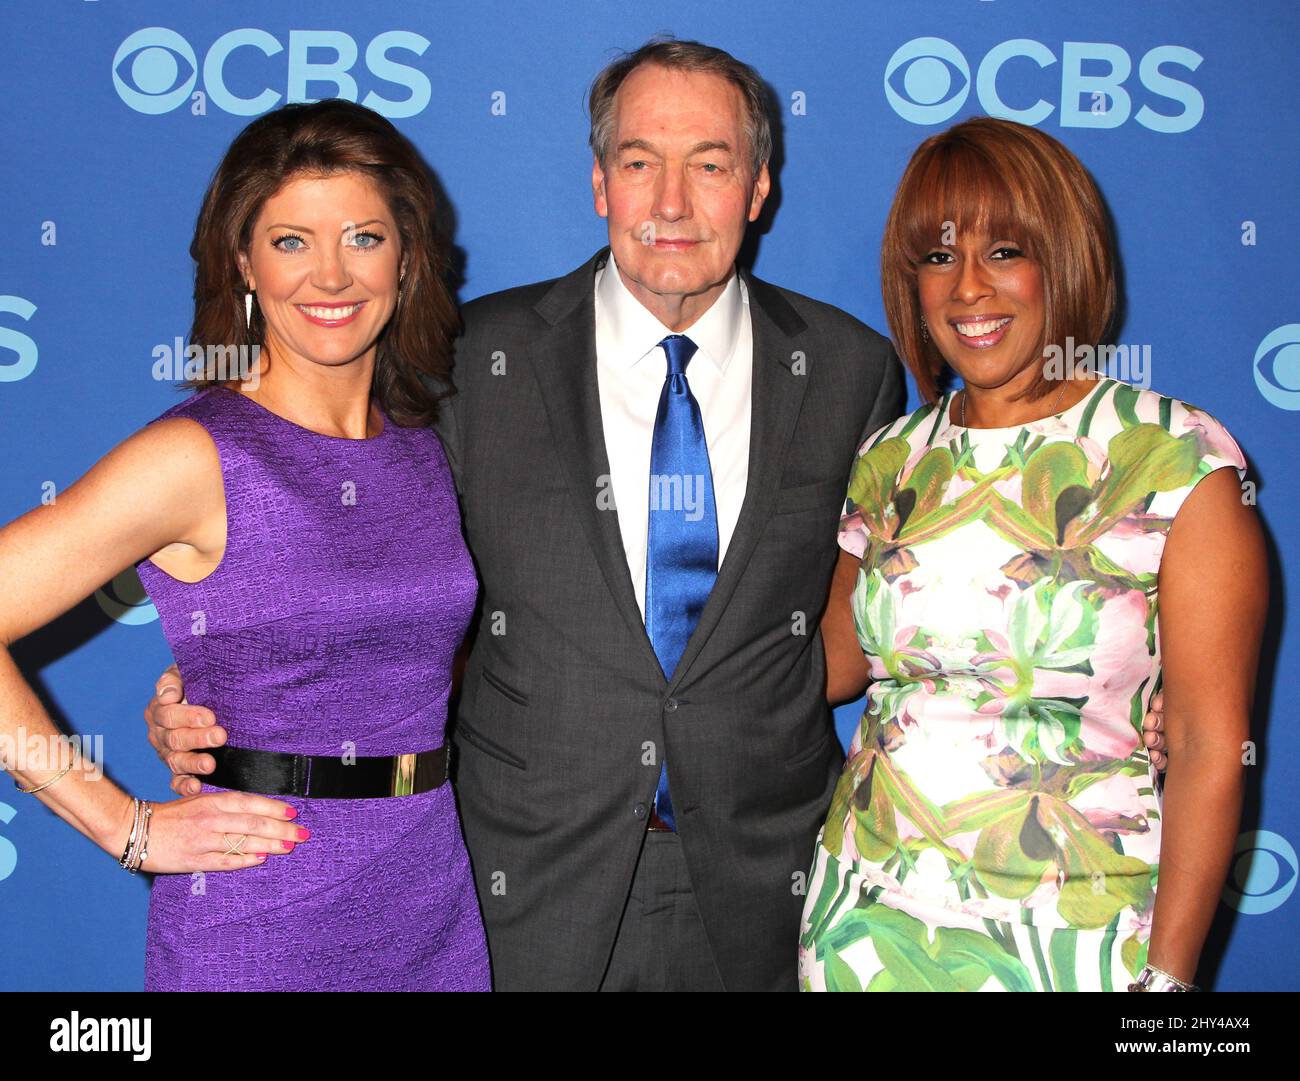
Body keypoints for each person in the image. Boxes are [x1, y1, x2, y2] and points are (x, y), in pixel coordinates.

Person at [143, 40, 1169, 991]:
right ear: (599, 184)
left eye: (711, 164)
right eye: (639, 162)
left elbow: (897, 607)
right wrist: (226, 695)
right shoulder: (465, 364)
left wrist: (1110, 689)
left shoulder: (850, 370)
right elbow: (376, 580)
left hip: (774, 885)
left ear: (758, 188)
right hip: (521, 884)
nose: (671, 201)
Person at [0, 98, 490, 990]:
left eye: (365, 238)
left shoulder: (419, 446)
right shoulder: (197, 454)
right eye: (292, 241)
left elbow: (402, 661)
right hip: (261, 916)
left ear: (409, 258)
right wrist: (124, 826)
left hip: (430, 902)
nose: (332, 276)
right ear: (244, 264)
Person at [799, 116, 1266, 992]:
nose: (968, 289)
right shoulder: (891, 456)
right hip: (863, 924)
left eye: (1004, 251)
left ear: (1066, 259)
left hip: (1082, 938)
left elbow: (1209, 745)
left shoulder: (1175, 458)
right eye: (938, 258)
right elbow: (827, 662)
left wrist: (1166, 992)